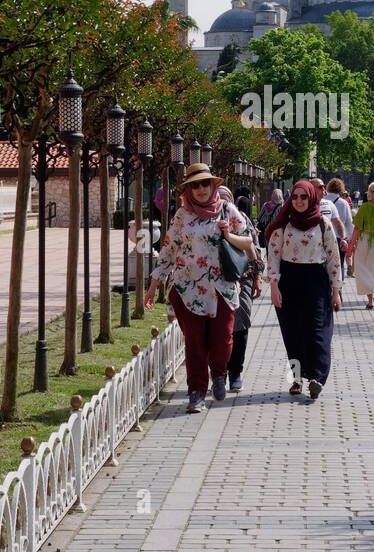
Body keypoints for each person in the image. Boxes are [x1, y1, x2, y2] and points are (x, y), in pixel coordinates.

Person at [146, 163, 255, 413]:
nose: (201, 189)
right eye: (195, 185)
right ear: (188, 190)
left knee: (223, 340)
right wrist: (154, 284)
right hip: (188, 289)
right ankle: (196, 393)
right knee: (194, 343)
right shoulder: (182, 216)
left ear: (213, 185)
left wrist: (228, 235)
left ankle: (219, 373)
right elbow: (168, 250)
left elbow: (248, 240)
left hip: (222, 289)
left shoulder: (227, 210)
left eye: (205, 183)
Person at [265, 178, 342, 400]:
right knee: (293, 333)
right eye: (295, 196)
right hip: (289, 280)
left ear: (313, 197)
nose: (299, 201)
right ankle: (297, 379)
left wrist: (335, 291)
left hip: (316, 281)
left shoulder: (322, 224)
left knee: (317, 330)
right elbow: (273, 255)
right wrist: (274, 285)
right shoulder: (284, 225)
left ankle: (317, 377)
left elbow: (333, 258)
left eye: (304, 196)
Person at [225, 189, 265, 391]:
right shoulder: (202, 221)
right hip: (214, 282)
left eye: (226, 200)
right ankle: (219, 372)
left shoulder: (242, 220)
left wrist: (257, 278)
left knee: (240, 322)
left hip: (243, 277)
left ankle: (235, 372)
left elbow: (255, 250)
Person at [327, 177, 353, 279]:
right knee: (340, 264)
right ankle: (339, 288)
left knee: (326, 264)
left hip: (324, 238)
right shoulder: (344, 203)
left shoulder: (322, 201)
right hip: (339, 239)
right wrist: (349, 240)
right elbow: (349, 223)